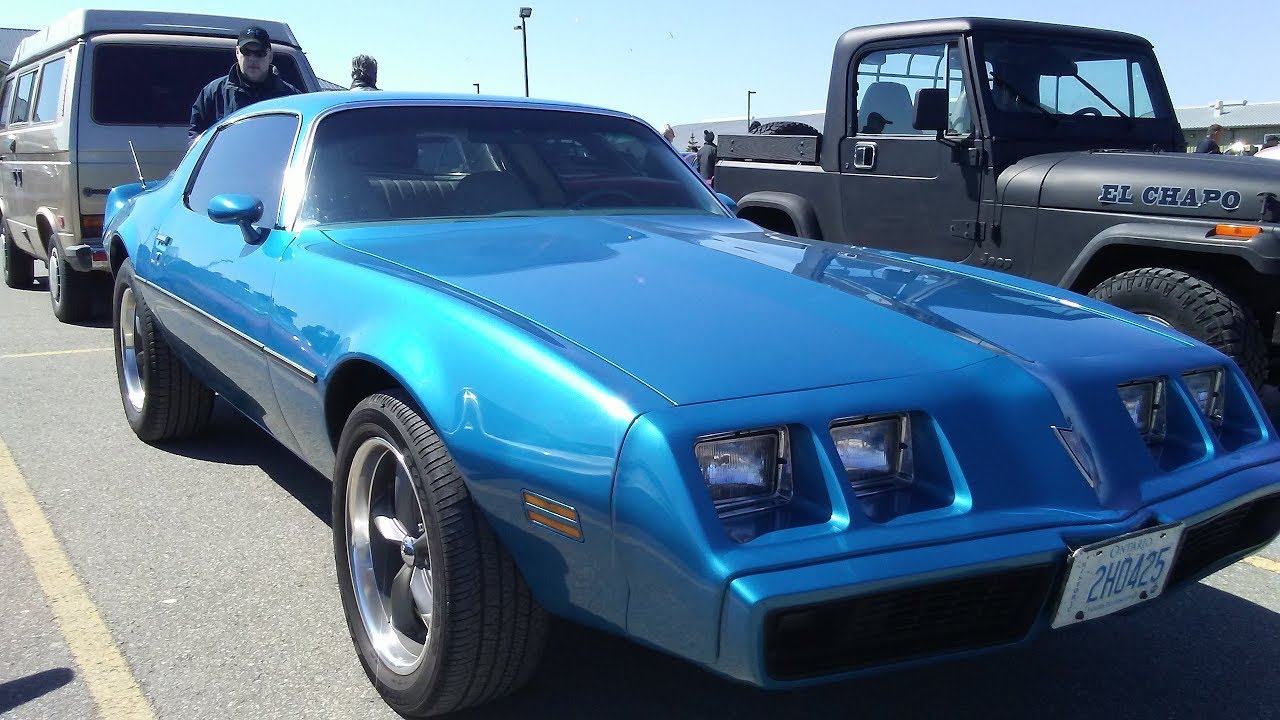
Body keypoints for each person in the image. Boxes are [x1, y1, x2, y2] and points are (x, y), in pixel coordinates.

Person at [188, 26, 302, 139]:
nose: (252, 58)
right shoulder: (213, 92)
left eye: (260, 53)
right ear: (237, 53)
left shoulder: (291, 97)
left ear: (270, 56)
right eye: (246, 51)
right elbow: (196, 136)